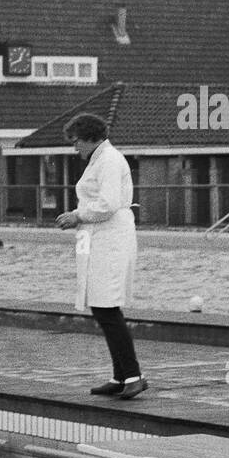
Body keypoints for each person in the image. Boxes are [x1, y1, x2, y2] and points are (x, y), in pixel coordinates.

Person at [55, 113, 147, 399]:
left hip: (110, 238)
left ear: (90, 137)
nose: (75, 148)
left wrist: (77, 215)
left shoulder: (108, 160)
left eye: (76, 142)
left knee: (107, 308)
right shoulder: (101, 159)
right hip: (100, 238)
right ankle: (121, 376)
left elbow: (106, 204)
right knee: (102, 306)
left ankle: (133, 376)